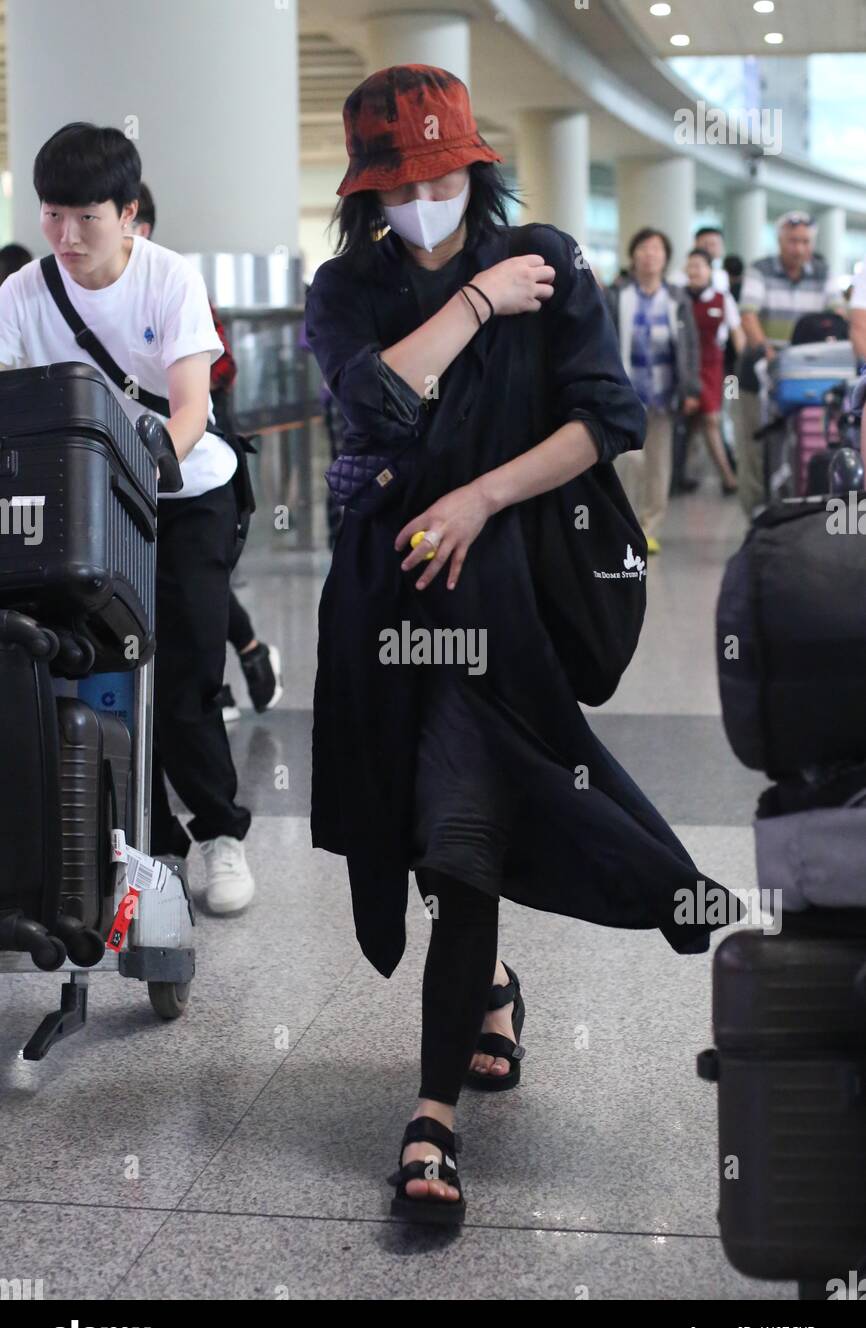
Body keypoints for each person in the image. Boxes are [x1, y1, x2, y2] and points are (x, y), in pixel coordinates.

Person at [305, 64, 740, 1225]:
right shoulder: (345, 287)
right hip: (377, 607)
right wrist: (478, 303)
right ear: (368, 195)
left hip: (498, 610)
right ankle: (491, 986)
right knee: (398, 824)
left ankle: (432, 1117)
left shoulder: (550, 255)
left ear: (476, 168)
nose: (427, 199)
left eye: (446, 175)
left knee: (459, 826)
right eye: (403, 184)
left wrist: (480, 499)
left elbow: (607, 420)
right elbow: (371, 405)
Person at [0, 123, 254, 914]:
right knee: (100, 669)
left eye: (86, 217)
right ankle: (151, 846)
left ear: (130, 212)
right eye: (51, 215)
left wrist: (138, 476)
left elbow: (188, 409)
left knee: (183, 675)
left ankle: (219, 833)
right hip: (79, 508)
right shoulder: (19, 295)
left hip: (185, 497)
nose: (67, 236)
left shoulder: (169, 280)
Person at [131, 183, 283, 724]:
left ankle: (227, 678)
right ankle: (243, 661)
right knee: (176, 591)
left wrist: (171, 368)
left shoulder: (174, 286)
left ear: (136, 223)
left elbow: (219, 373)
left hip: (199, 472)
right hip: (139, 481)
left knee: (196, 588)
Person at [735, 211, 845, 517]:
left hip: (806, 379)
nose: (799, 248)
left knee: (799, 444)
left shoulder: (823, 272)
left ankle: (798, 514)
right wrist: (766, 351)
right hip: (757, 376)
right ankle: (756, 516)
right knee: (755, 449)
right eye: (793, 241)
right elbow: (748, 313)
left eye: (805, 242)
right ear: (780, 240)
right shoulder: (761, 270)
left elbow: (839, 313)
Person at [605, 226, 701, 553]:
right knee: (630, 460)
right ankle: (623, 522)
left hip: (664, 394)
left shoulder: (676, 298)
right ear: (633, 255)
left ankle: (649, 528)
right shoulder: (618, 295)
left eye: (657, 249)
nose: (650, 255)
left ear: (665, 258)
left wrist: (691, 388)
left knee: (660, 464)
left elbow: (689, 346)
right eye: (644, 248)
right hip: (626, 394)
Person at [683, 247, 744, 494]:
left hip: (713, 367)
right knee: (693, 422)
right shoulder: (680, 298)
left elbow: (736, 332)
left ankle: (728, 478)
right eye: (691, 266)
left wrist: (745, 364)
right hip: (686, 366)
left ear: (709, 270)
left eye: (700, 266)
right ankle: (686, 474)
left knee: (710, 418)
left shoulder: (722, 298)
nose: (694, 271)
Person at [670, 225, 730, 295]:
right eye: (706, 244)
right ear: (695, 244)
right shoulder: (677, 276)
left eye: (713, 244)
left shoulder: (721, 276)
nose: (709, 249)